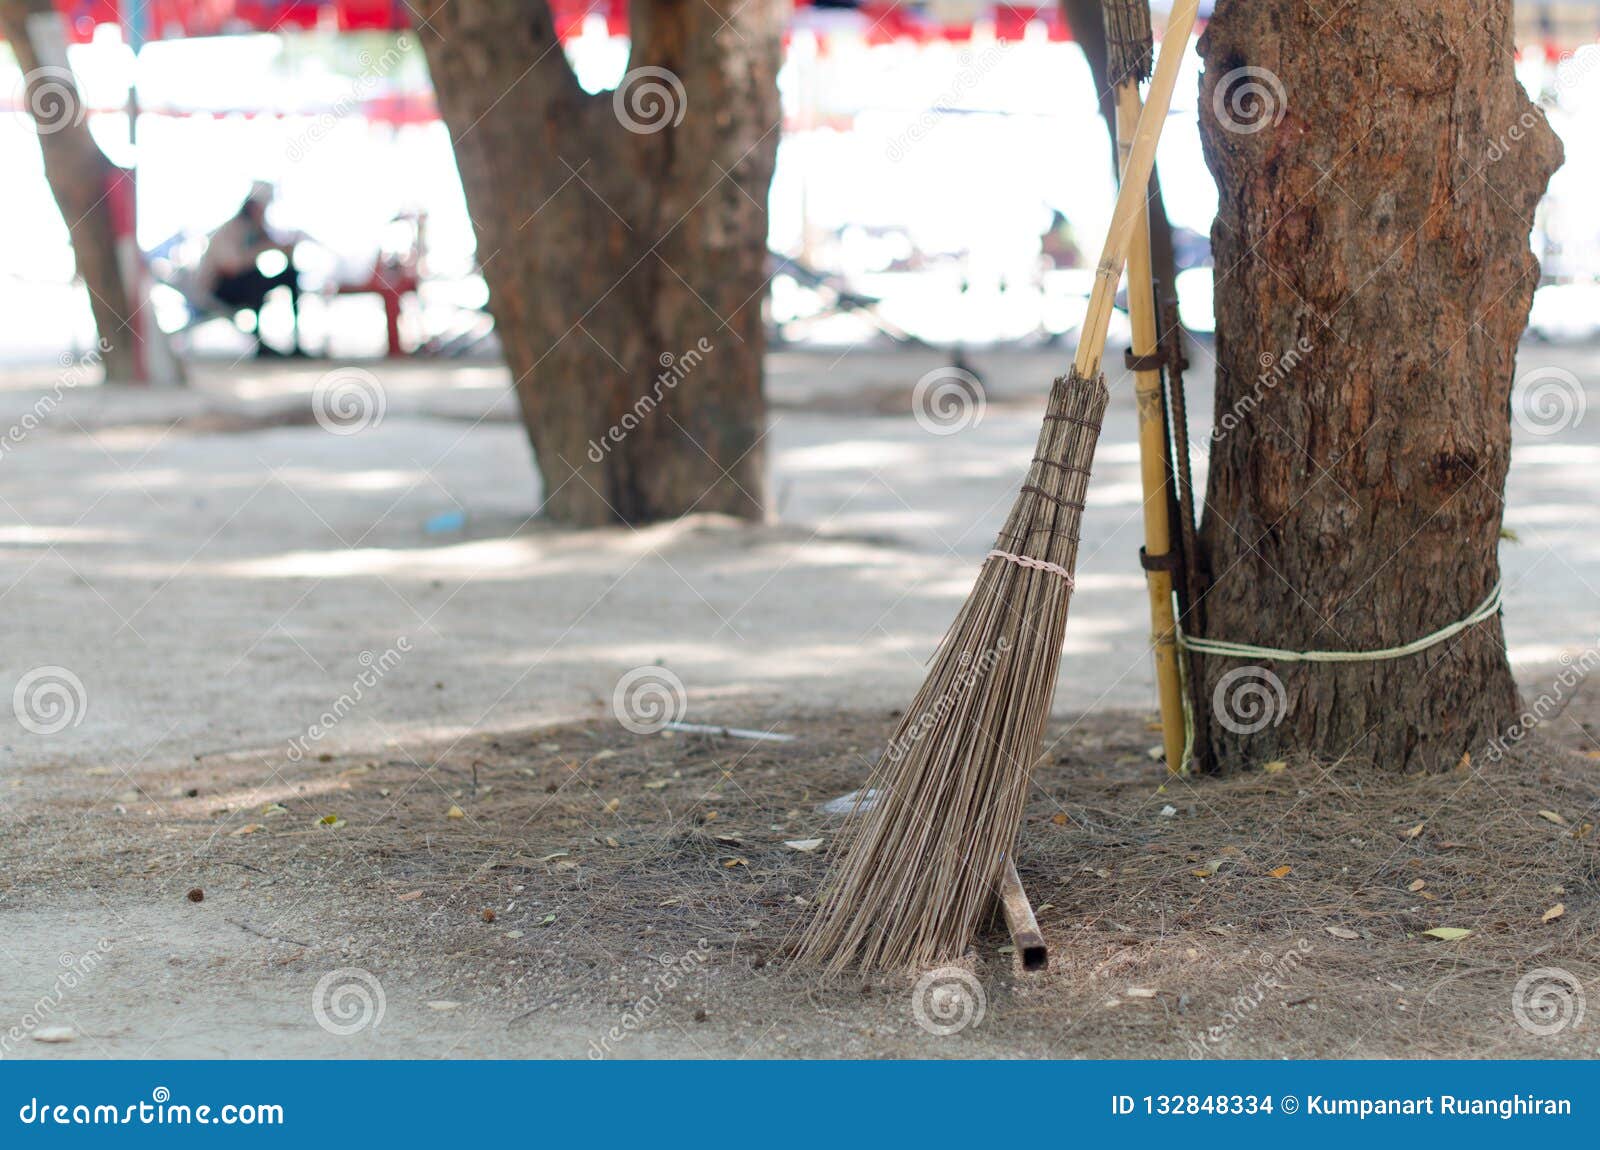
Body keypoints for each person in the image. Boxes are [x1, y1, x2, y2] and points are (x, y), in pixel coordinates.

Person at [198, 182, 307, 357]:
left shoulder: (257, 230)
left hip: (245, 285)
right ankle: (260, 345)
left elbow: (275, 246)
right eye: (260, 208)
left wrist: (281, 247)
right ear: (251, 207)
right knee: (254, 279)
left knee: (290, 275)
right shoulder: (230, 229)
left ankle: (297, 346)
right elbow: (231, 267)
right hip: (221, 289)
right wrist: (265, 247)